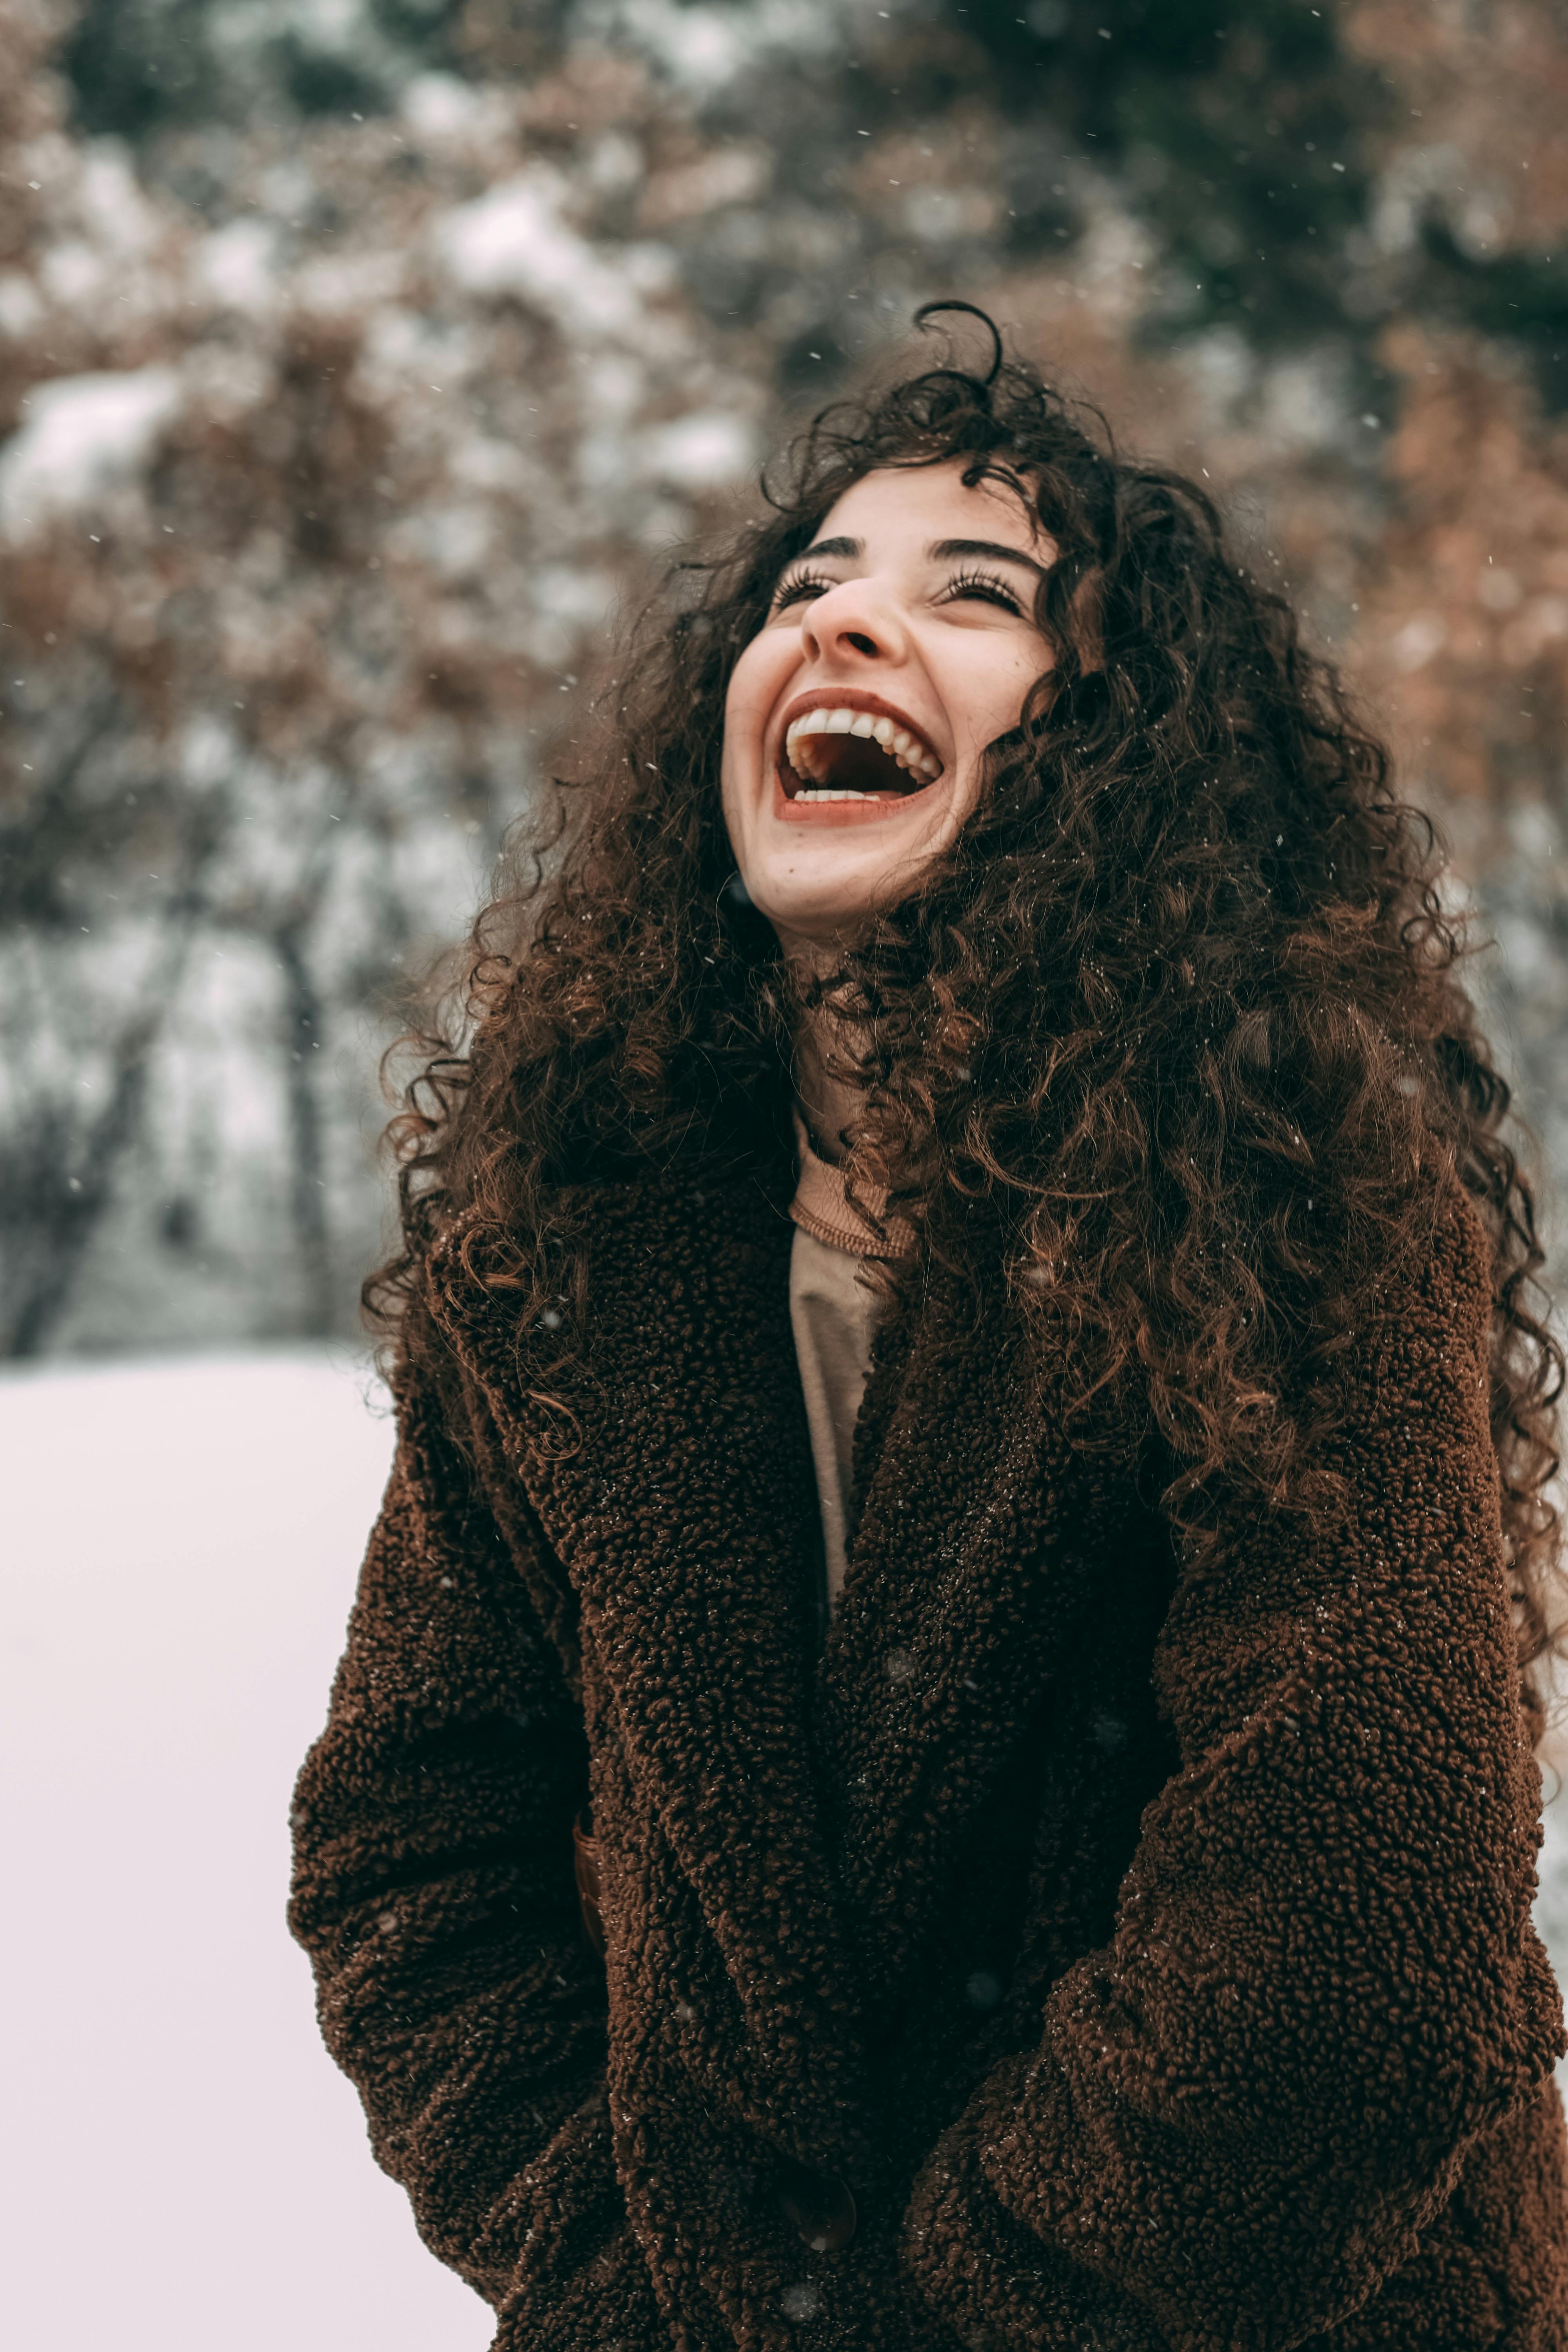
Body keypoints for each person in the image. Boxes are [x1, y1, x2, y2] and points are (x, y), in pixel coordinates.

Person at [288, 304, 1568, 2350]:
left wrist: (960, 2308)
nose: (847, 630)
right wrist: (623, 2280)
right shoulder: (564, 1242)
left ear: (1123, 736)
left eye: (973, 596)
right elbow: (412, 1842)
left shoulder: (1277, 1149)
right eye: (807, 592)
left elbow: (1354, 1915)